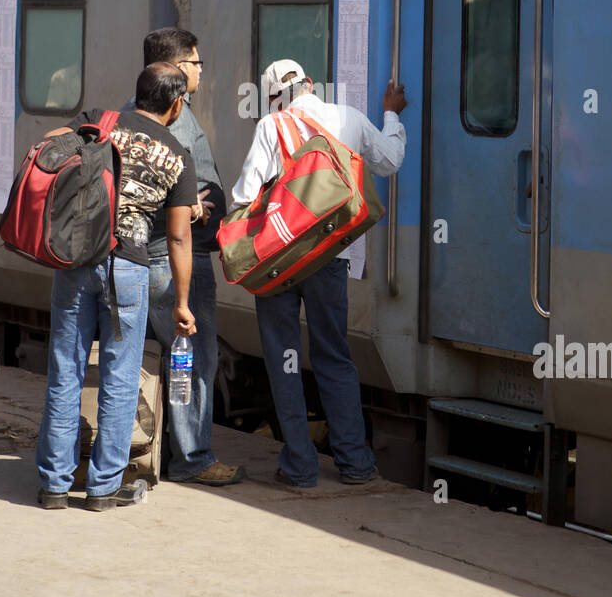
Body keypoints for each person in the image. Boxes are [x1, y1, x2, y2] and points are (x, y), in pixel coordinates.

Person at [232, 58, 407, 488]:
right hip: (329, 257)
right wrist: (391, 113)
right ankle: (355, 463)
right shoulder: (349, 118)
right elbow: (390, 161)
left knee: (285, 359)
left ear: (271, 97)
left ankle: (299, 467)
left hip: (279, 263)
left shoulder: (271, 126)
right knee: (334, 354)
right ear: (310, 84)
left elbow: (244, 196)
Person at [36, 63, 198, 511]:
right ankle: (103, 488)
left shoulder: (99, 121)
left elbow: (49, 145)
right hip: (128, 266)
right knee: (120, 377)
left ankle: (54, 485)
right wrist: (182, 303)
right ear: (176, 104)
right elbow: (179, 238)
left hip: (77, 260)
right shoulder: (179, 156)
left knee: (65, 368)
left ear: (138, 93)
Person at [123, 28, 244, 486]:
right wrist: (192, 206)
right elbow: (163, 192)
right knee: (190, 361)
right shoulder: (172, 118)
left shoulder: (135, 111)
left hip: (144, 259)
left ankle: (140, 454)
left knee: (146, 359)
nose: (200, 71)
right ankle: (193, 458)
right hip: (173, 261)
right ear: (175, 70)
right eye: (195, 63)